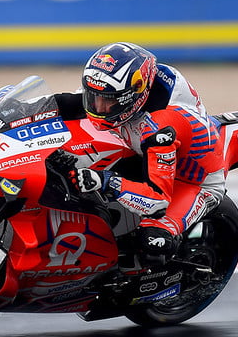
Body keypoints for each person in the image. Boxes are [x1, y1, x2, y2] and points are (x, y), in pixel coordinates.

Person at [63, 42, 226, 263]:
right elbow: (68, 103)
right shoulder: (120, 88)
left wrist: (104, 181)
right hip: (143, 153)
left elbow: (157, 201)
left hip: (189, 181)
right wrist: (13, 111)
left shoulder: (160, 128)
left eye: (107, 100)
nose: (98, 107)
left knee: (151, 241)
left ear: (133, 96)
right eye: (94, 97)